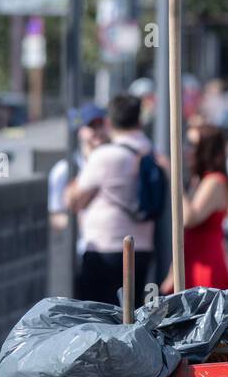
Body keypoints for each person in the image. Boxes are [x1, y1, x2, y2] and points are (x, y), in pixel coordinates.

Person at [66, 93, 162, 307]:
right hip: (143, 248)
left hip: (106, 248)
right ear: (139, 120)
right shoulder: (152, 151)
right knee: (133, 315)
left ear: (109, 122)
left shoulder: (106, 155)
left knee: (98, 318)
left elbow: (73, 200)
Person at [162, 124, 228, 291]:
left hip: (205, 265)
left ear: (206, 149)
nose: (186, 150)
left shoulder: (215, 181)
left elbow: (188, 218)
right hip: (192, 260)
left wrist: (174, 176)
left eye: (192, 144)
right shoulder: (200, 179)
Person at [48, 104, 108, 254]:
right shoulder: (63, 170)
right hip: (82, 249)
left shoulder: (114, 163)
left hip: (112, 246)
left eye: (100, 125)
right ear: (80, 130)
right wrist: (85, 222)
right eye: (91, 126)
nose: (97, 131)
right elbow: (55, 216)